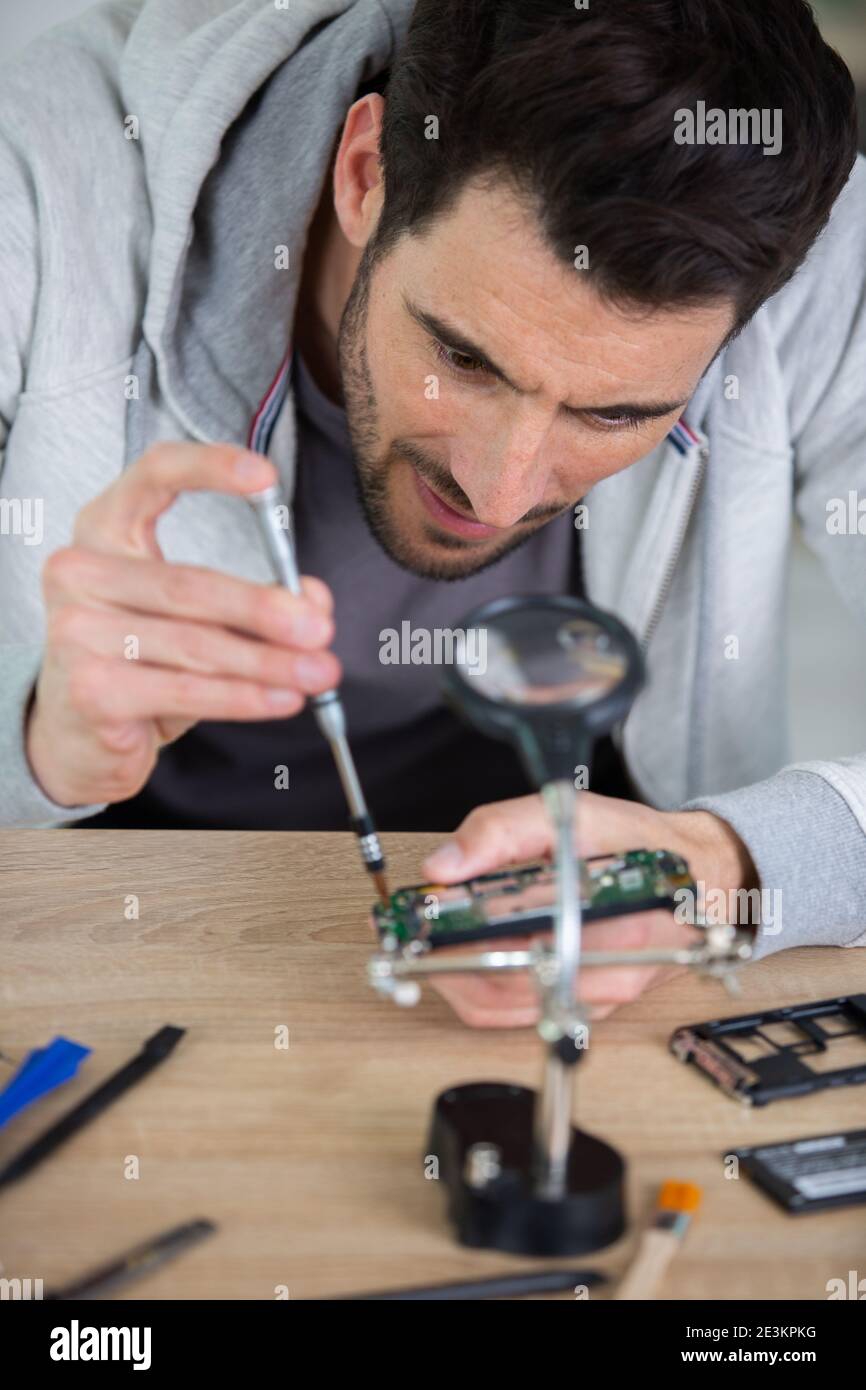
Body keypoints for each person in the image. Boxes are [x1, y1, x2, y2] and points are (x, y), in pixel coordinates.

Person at [1, 0, 864, 1025]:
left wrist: (719, 864)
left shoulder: (811, 251)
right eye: (462, 358)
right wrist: (34, 747)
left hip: (601, 987)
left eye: (613, 413)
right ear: (366, 173)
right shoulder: (37, 183)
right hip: (117, 952)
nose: (498, 492)